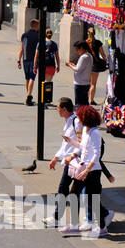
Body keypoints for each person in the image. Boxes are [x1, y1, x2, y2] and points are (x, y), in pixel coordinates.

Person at [68, 104, 114, 238]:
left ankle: (102, 226)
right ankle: (75, 225)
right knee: (77, 194)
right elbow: (82, 148)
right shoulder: (86, 130)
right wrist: (71, 149)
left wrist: (87, 170)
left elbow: (96, 154)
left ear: (85, 118)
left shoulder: (95, 133)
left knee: (90, 198)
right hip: (84, 169)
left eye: (79, 117)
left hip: (92, 171)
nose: (78, 119)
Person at [47, 98, 82, 230]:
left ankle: (58, 218)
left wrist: (72, 156)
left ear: (65, 109)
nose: (57, 110)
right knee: (77, 190)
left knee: (65, 189)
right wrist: (55, 158)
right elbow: (65, 145)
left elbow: (81, 143)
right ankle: (105, 213)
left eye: (58, 108)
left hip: (76, 162)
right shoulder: (68, 121)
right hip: (70, 161)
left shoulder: (76, 122)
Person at [17, 18, 41, 106]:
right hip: (33, 59)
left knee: (27, 78)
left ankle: (28, 95)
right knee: (32, 77)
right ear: (36, 26)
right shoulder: (38, 36)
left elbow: (22, 49)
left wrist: (18, 60)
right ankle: (29, 96)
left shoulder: (24, 35)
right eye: (38, 26)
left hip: (25, 59)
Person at [84, 25, 108, 104]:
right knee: (93, 84)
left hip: (87, 64)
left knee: (87, 83)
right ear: (94, 33)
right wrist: (106, 61)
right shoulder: (98, 42)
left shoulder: (85, 43)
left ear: (88, 33)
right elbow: (103, 54)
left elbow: (83, 54)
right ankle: (91, 100)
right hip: (95, 65)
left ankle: (86, 99)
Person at [66, 41, 92, 108]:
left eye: (77, 49)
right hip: (86, 82)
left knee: (79, 104)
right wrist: (74, 65)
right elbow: (81, 67)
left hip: (80, 83)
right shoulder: (89, 56)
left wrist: (69, 65)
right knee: (85, 103)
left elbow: (77, 69)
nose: (77, 51)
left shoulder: (83, 57)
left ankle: (81, 117)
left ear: (82, 48)